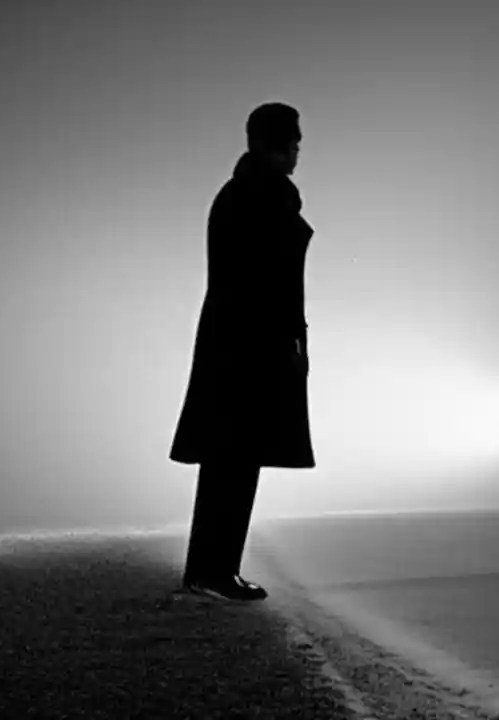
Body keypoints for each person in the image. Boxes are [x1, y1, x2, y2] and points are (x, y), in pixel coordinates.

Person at [169, 102, 315, 602]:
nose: (299, 148)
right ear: (276, 143)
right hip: (252, 345)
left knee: (228, 457)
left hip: (238, 340)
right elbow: (270, 281)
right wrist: (290, 343)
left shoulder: (242, 192)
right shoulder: (262, 195)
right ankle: (215, 570)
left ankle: (209, 569)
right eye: (294, 139)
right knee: (236, 456)